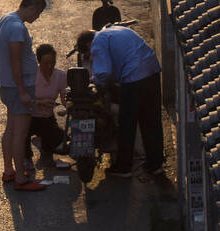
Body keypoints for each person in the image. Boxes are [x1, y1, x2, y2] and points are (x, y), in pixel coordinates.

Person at [74, 26, 165, 179]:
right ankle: (155, 165)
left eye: (90, 55)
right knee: (151, 120)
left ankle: (123, 167)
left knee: (127, 122)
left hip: (134, 77)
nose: (92, 57)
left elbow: (104, 72)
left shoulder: (98, 42)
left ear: (88, 45)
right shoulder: (114, 30)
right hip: (152, 72)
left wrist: (93, 80)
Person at [0, 0, 48, 190]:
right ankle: (20, 179)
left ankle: (9, 170)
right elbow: (15, 61)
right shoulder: (17, 28)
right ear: (33, 7)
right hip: (20, 88)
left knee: (10, 129)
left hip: (8, 87)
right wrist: (23, 91)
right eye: (39, 12)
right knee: (21, 133)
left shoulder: (6, 19)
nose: (38, 17)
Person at [25, 43, 69, 174]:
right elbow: (24, 99)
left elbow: (64, 97)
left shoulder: (60, 76)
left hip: (48, 118)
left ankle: (43, 143)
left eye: (52, 63)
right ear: (39, 62)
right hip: (30, 118)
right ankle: (27, 157)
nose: (49, 66)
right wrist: (40, 102)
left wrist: (69, 104)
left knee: (63, 140)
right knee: (21, 134)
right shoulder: (32, 76)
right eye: (46, 63)